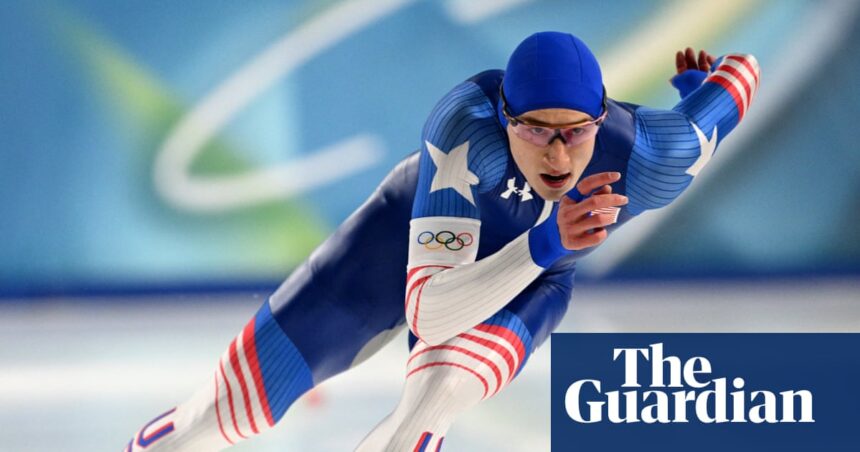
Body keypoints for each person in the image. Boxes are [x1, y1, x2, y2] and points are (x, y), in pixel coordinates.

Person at [123, 32, 759, 452]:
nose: (560, 154)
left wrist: (696, 96)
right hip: (401, 239)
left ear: (601, 122)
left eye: (577, 132)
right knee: (229, 410)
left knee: (430, 402)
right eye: (535, 131)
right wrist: (543, 241)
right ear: (505, 118)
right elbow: (429, 310)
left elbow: (741, 76)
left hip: (534, 280)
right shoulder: (464, 129)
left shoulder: (654, 155)